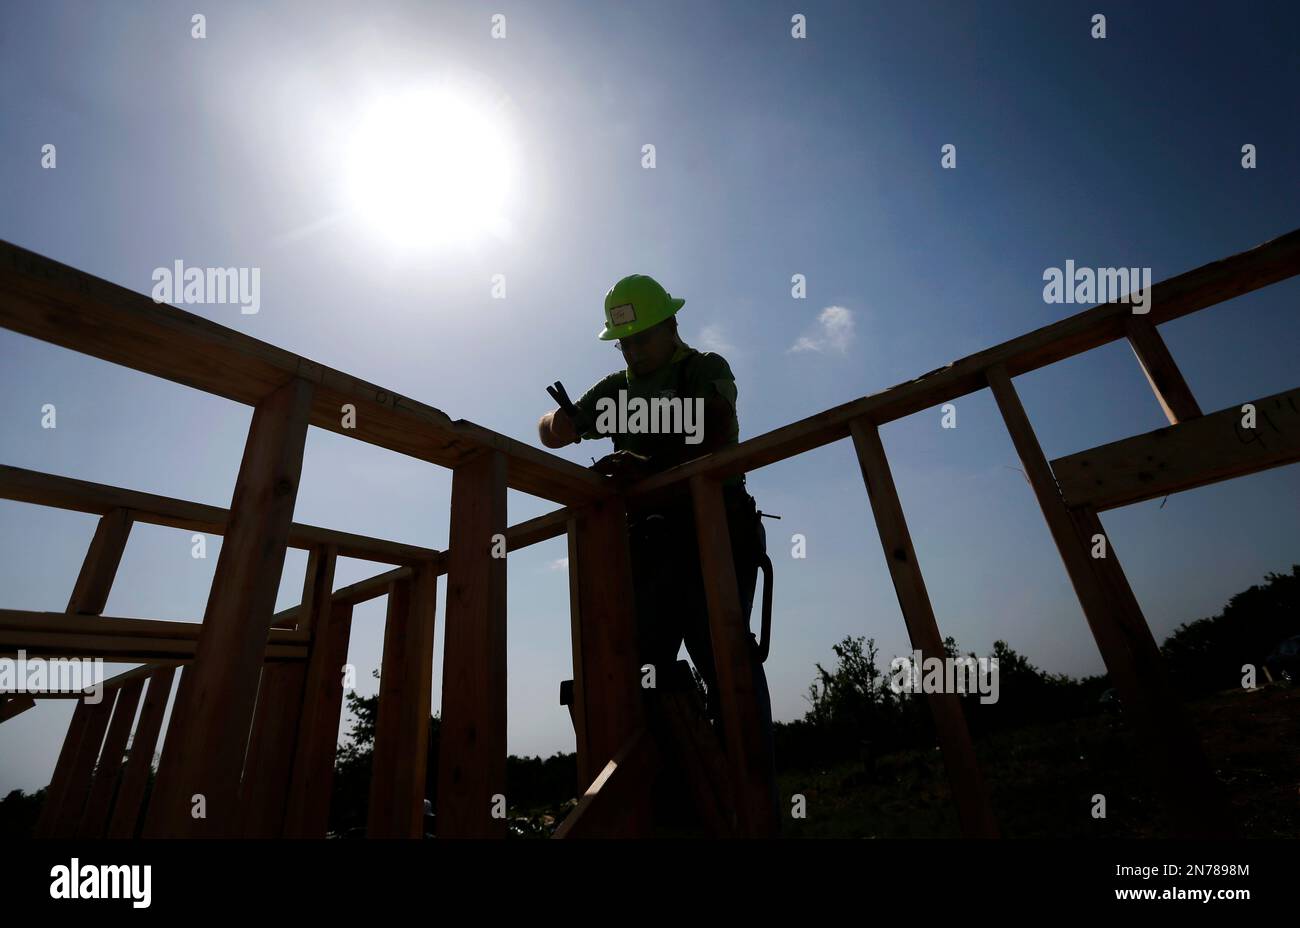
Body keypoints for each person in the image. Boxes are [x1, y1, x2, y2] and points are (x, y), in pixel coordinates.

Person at [538, 274, 778, 824]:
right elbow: (552, 432)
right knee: (636, 678)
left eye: (641, 338)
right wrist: (562, 421)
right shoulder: (615, 390)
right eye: (622, 342)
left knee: (728, 668)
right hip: (647, 547)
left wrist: (648, 464)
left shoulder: (704, 370)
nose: (631, 350)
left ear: (672, 326)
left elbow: (715, 434)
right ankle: (677, 807)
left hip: (713, 533)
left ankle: (757, 808)